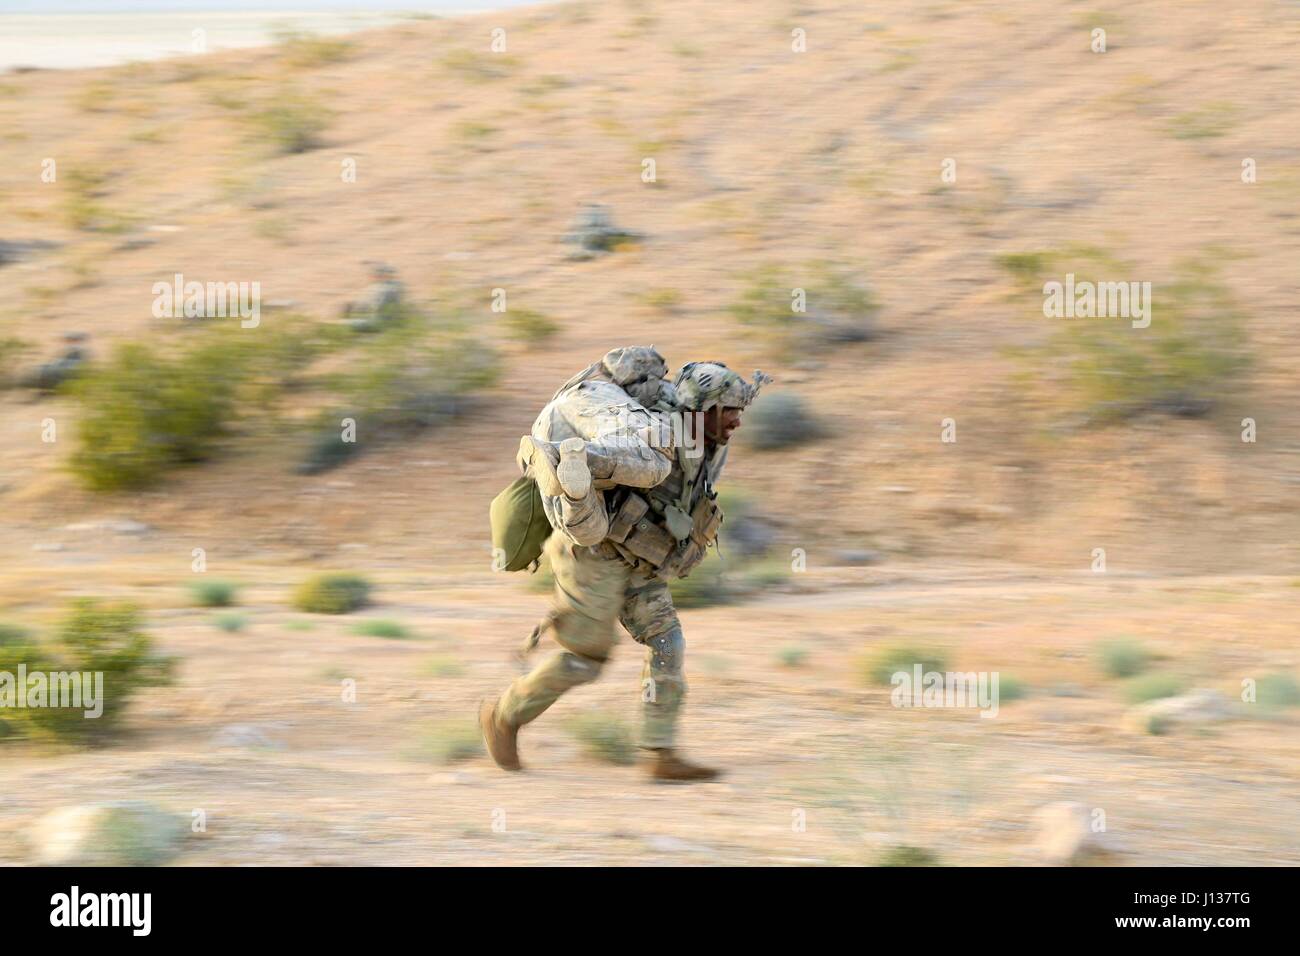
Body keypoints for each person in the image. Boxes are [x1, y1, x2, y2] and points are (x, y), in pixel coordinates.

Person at [480, 346, 771, 782]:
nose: (737, 421)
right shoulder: (645, 434)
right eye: (728, 411)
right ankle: (503, 716)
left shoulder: (711, 445)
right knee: (585, 660)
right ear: (702, 409)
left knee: (668, 644)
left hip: (641, 560)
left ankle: (658, 752)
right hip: (590, 558)